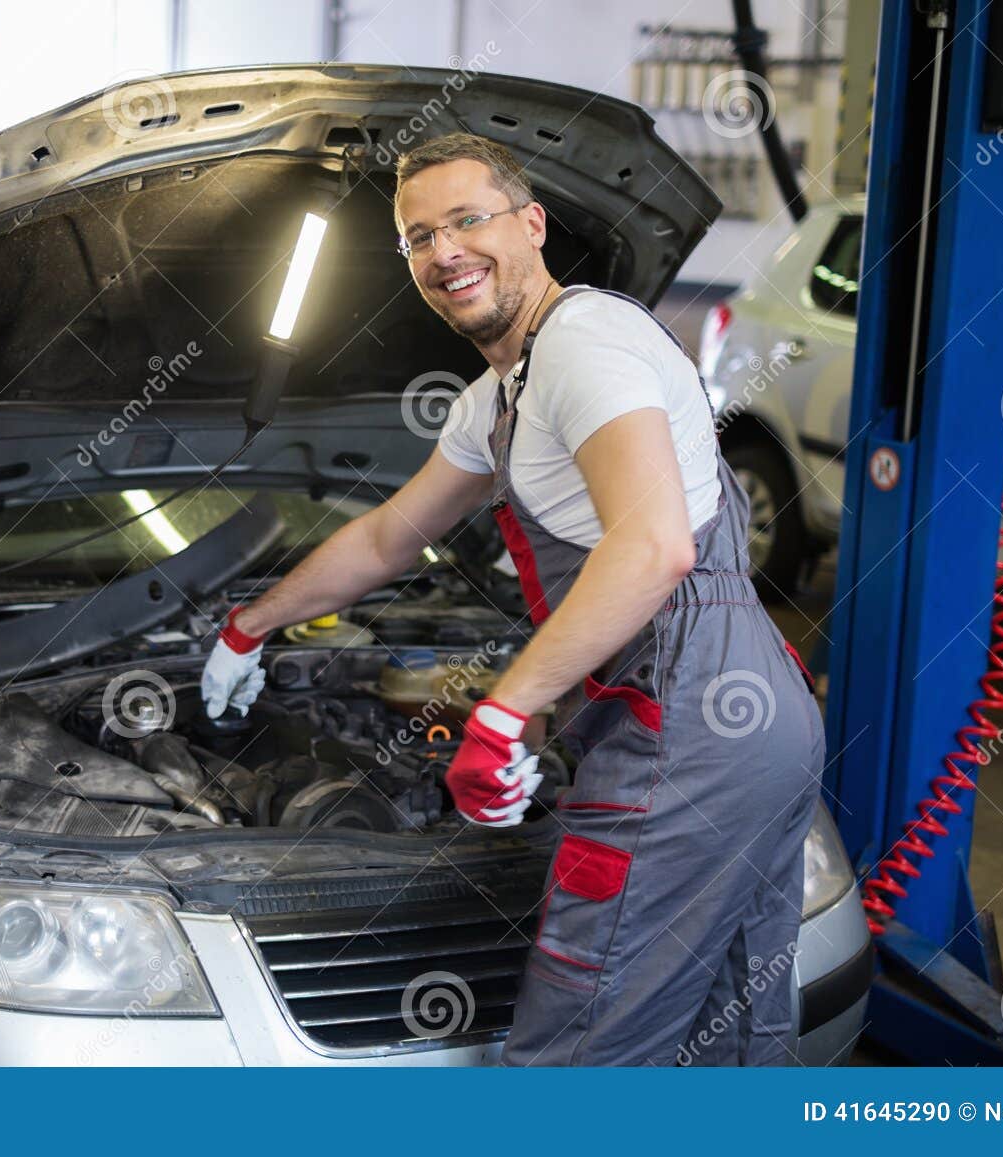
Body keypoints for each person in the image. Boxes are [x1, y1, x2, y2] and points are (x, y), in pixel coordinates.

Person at [201, 133, 823, 1065]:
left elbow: (653, 545)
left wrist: (502, 715)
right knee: (727, 1040)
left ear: (531, 225)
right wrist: (251, 625)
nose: (443, 250)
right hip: (754, 716)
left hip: (684, 718)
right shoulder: (497, 398)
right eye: (418, 237)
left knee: (576, 1054)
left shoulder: (583, 346)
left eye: (467, 219)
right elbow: (388, 535)